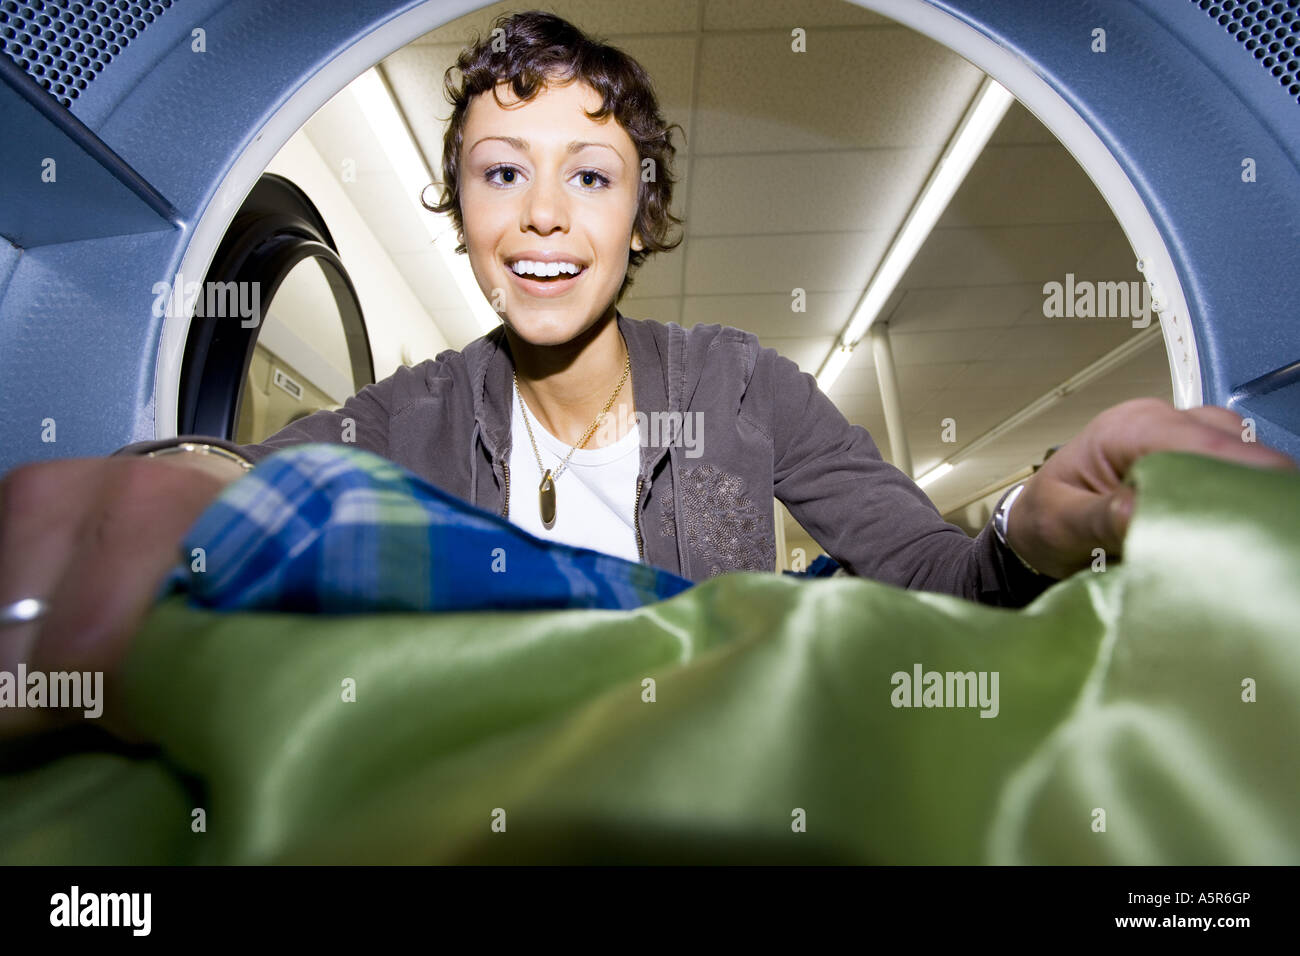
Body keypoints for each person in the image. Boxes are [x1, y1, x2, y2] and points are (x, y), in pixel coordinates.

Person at [0, 11, 1294, 739]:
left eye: (592, 174)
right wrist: (182, 486)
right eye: (504, 171)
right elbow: (258, 490)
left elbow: (937, 579)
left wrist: (1035, 518)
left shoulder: (745, 387)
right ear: (462, 213)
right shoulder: (403, 413)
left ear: (642, 211)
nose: (547, 214)